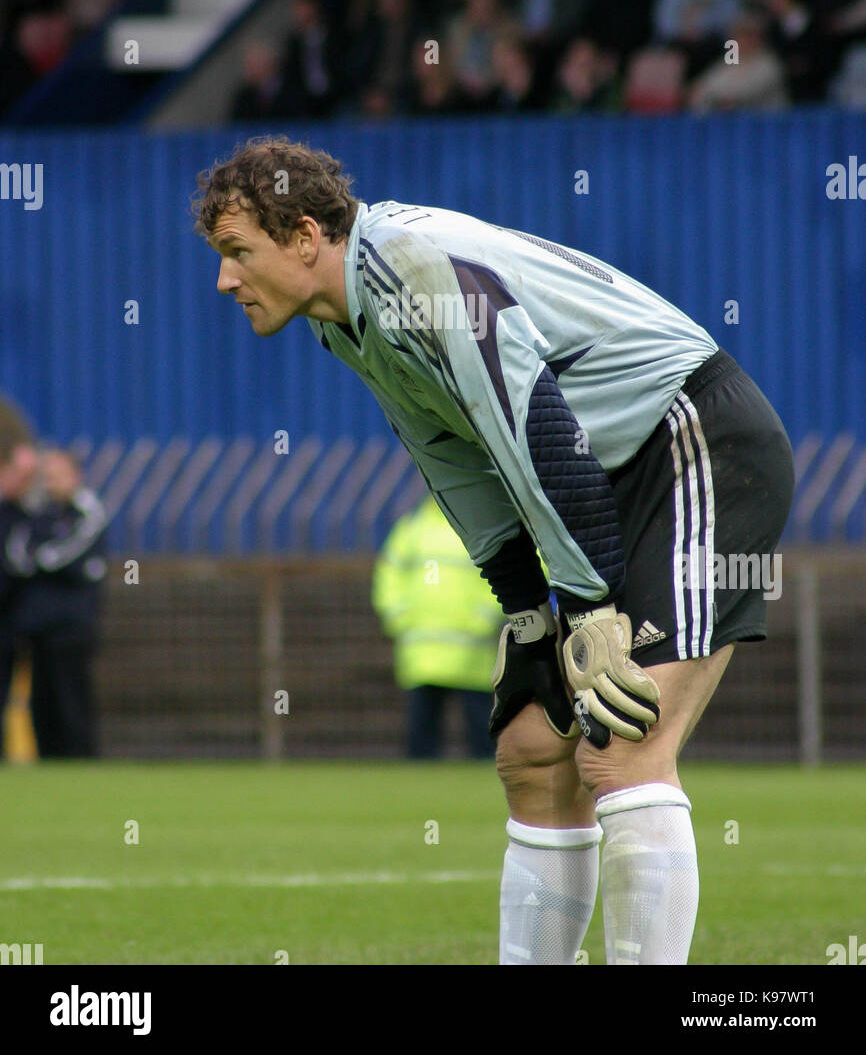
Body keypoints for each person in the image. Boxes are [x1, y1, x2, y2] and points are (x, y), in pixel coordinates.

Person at [193, 137, 795, 966]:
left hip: (692, 443)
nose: (224, 280)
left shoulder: (408, 268)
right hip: (602, 479)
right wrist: (525, 612)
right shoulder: (344, 321)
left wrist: (585, 608)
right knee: (532, 752)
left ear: (303, 236)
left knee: (620, 747)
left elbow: (532, 426)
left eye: (235, 253)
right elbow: (455, 461)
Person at [372, 495, 504, 759]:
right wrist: (398, 617)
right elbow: (388, 576)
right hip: (437, 652)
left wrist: (487, 616)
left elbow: (509, 573)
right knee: (426, 735)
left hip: (465, 653)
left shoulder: (415, 528)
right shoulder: (416, 529)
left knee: (476, 735)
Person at [0, 445, 108, 759]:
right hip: (36, 628)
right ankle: (49, 764)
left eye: (57, 476)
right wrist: (40, 561)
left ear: (75, 477)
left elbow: (60, 558)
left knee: (71, 702)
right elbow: (17, 556)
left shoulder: (87, 512)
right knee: (41, 703)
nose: (50, 483)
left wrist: (42, 560)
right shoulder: (37, 513)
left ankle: (82, 762)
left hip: (72, 628)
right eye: (46, 477)